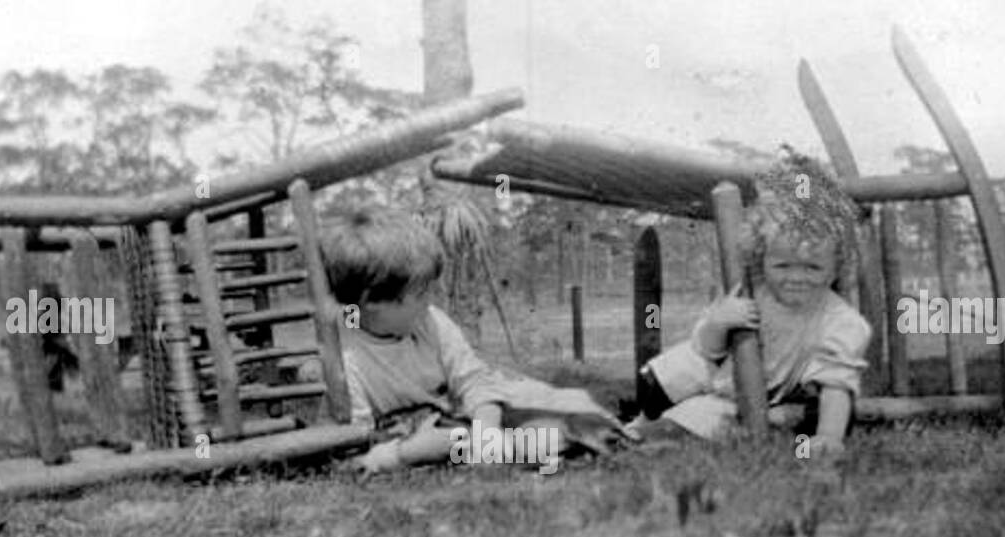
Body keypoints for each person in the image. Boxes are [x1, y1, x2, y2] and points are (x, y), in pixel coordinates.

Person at [320, 208, 625, 474]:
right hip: (420, 435)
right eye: (420, 294)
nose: (429, 302)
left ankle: (590, 427)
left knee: (571, 402)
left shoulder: (431, 321)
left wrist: (487, 428)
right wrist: (399, 454)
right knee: (447, 443)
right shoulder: (346, 360)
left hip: (467, 415)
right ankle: (565, 438)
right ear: (371, 301)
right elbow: (357, 438)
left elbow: (474, 382)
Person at [626, 149, 872, 456]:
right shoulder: (751, 288)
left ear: (837, 266)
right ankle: (640, 418)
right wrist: (720, 321)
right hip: (710, 375)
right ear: (762, 256)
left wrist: (828, 437)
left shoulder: (843, 322)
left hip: (741, 399)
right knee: (667, 378)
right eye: (783, 266)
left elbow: (837, 386)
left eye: (813, 267)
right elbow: (706, 348)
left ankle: (648, 435)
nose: (796, 277)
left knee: (681, 428)